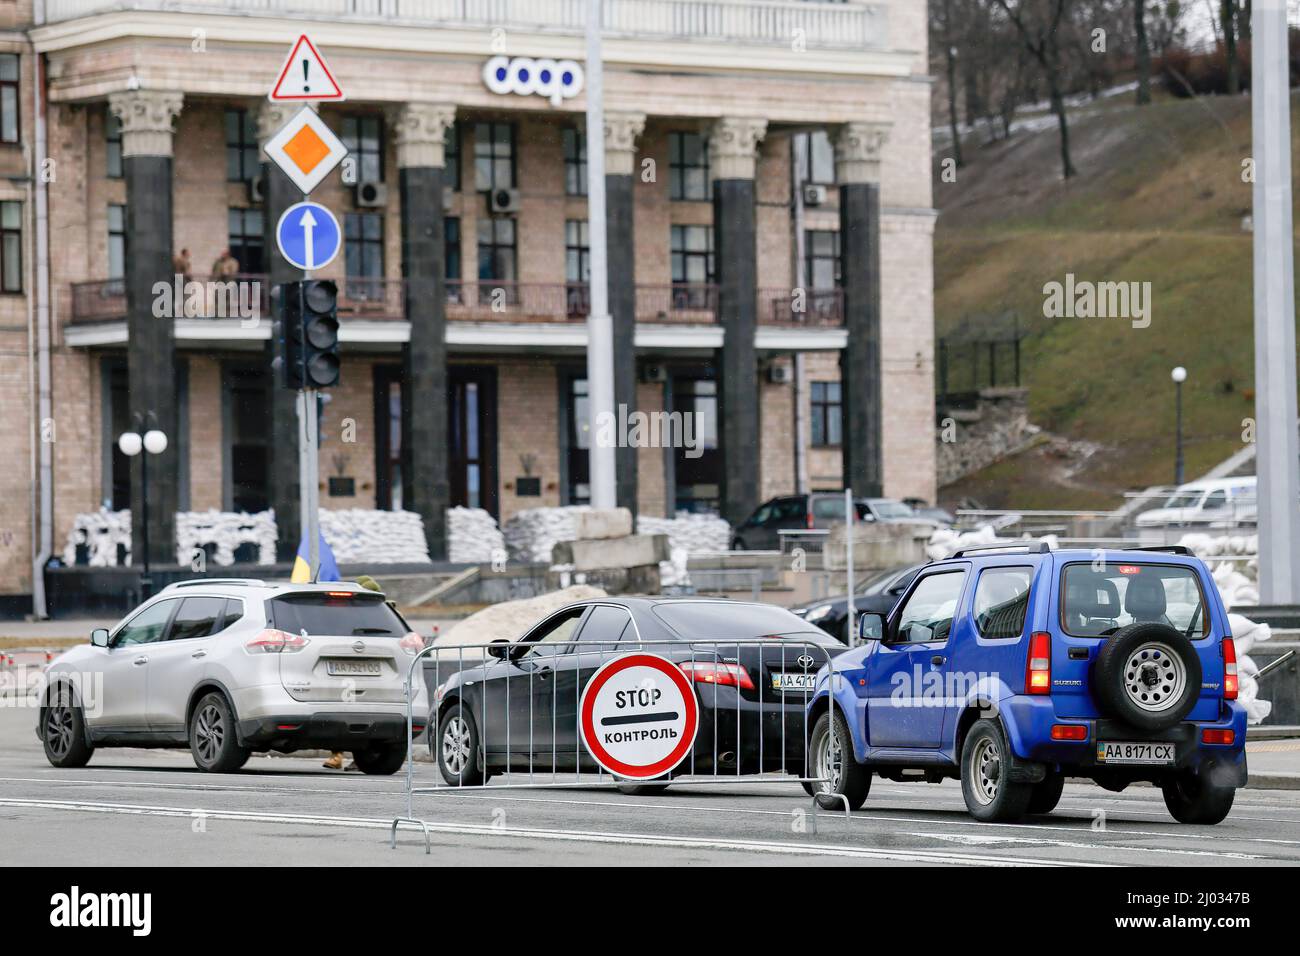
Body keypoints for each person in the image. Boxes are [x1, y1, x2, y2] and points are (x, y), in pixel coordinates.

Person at [323, 575, 386, 772]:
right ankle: (338, 756)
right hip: (360, 676)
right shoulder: (382, 612)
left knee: (356, 716)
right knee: (345, 715)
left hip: (365, 676)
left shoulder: (376, 612)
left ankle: (353, 757)